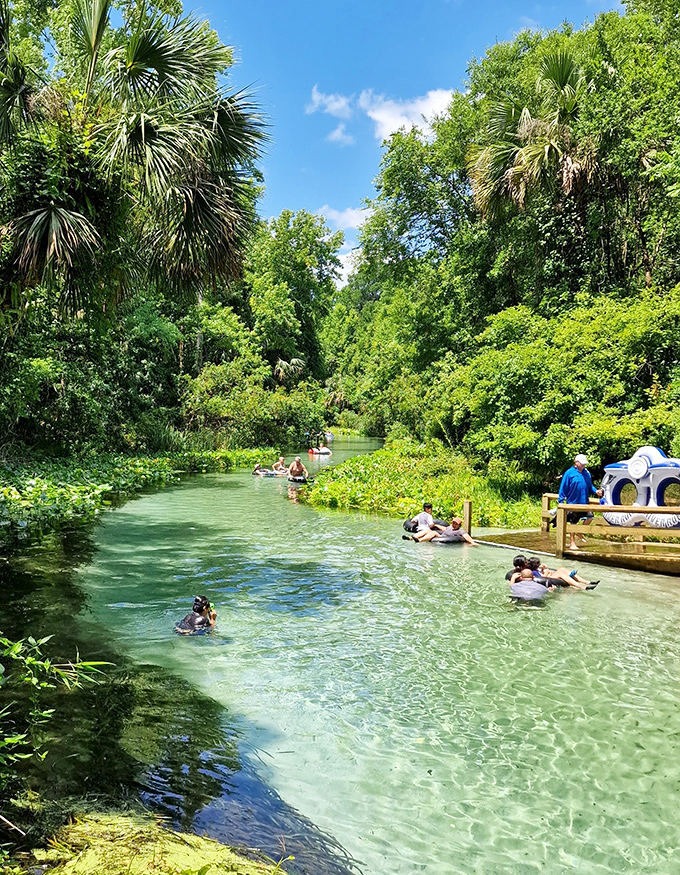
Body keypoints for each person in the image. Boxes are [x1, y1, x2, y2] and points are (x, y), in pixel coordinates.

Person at [558, 453, 604, 550]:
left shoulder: (586, 473)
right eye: (582, 463)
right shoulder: (569, 473)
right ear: (576, 462)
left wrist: (596, 491)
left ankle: (580, 532)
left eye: (584, 463)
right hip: (573, 502)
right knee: (573, 523)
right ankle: (572, 543)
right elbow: (563, 487)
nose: (584, 465)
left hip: (584, 502)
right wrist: (561, 501)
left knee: (590, 518)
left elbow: (589, 485)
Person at [407, 517, 476, 545]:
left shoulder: (460, 531)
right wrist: (436, 525)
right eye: (453, 523)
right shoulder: (449, 527)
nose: (454, 525)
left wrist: (473, 543)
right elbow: (443, 528)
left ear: (459, 525)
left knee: (433, 532)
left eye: (456, 524)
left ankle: (420, 540)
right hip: (441, 535)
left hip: (443, 537)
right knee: (428, 530)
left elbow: (466, 536)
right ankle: (411, 537)